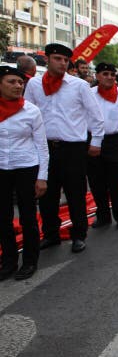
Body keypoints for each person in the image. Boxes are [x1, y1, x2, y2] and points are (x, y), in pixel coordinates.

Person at [24, 43, 105, 254]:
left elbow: (96, 116)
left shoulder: (79, 86)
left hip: (73, 148)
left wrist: (95, 142)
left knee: (75, 192)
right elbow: (27, 113)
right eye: (57, 58)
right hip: (45, 147)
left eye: (65, 60)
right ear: (47, 60)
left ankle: (79, 234)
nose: (62, 63)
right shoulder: (34, 85)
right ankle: (51, 234)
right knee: (47, 194)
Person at [0, 66, 48, 280]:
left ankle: (29, 262)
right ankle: (8, 262)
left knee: (28, 217)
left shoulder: (31, 110)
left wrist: (42, 177)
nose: (18, 86)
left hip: (26, 167)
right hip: (2, 168)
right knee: (3, 218)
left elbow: (42, 146)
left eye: (20, 83)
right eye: (11, 82)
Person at [88, 63, 118, 230]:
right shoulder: (89, 94)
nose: (109, 77)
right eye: (105, 73)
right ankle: (103, 216)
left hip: (115, 141)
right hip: (93, 141)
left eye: (112, 74)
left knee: (116, 181)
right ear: (97, 76)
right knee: (96, 181)